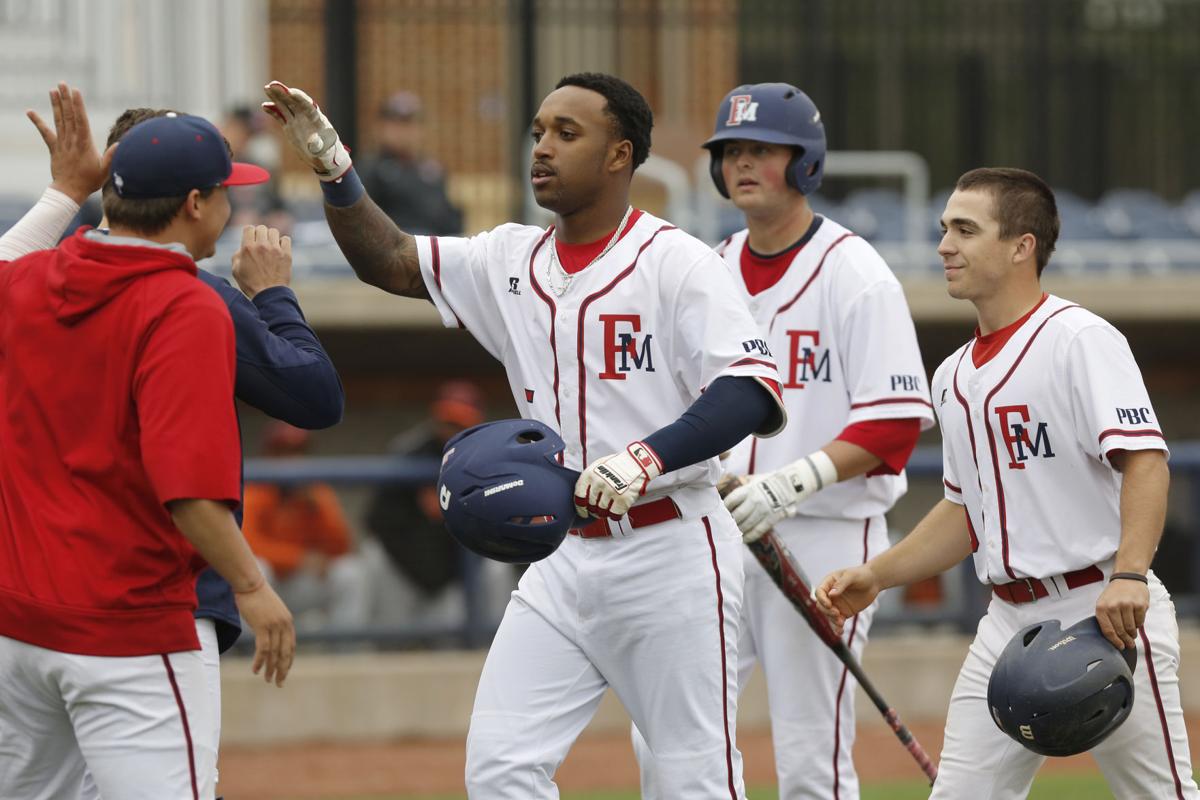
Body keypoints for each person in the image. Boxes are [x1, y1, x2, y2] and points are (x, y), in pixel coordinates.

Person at [263, 72, 788, 798]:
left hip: (671, 550)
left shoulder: (677, 261)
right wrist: (335, 167)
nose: (542, 147)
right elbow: (389, 261)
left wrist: (646, 457)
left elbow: (749, 390)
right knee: (501, 767)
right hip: (562, 554)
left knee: (690, 779)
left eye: (567, 134)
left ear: (619, 155)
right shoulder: (509, 257)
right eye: (539, 130)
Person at [0, 88, 344, 799]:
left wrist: (64, 192)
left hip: (20, 625)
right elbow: (186, 484)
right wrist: (253, 586)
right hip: (133, 627)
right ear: (194, 204)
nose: (231, 207)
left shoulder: (31, 280)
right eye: (223, 193)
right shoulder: (186, 302)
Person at [816, 167, 1198, 798]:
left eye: (966, 229)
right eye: (944, 229)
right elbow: (965, 513)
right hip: (1008, 623)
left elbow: (1146, 462)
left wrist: (1130, 573)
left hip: (1102, 608)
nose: (945, 245)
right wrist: (877, 574)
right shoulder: (953, 374)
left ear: (1022, 246)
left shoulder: (1079, 339)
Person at [634, 83, 935, 799]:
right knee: (671, 741)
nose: (742, 164)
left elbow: (895, 418)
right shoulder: (705, 269)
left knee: (809, 759)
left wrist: (789, 481)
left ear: (803, 164)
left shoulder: (855, 272)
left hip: (826, 536)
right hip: (722, 532)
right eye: (731, 151)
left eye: (761, 150)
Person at [362, 380, 498, 629]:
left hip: (455, 574)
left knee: (496, 566)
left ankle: (491, 645)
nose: (450, 430)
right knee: (372, 557)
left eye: (459, 423)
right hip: (404, 566)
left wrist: (450, 508)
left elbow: (496, 525)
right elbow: (376, 520)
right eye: (447, 421)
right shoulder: (408, 453)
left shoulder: (489, 460)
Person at [242, 422, 370, 631]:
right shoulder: (257, 489)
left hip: (300, 584)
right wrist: (298, 558)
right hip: (267, 585)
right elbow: (246, 547)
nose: (292, 460)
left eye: (298, 452)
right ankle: (250, 650)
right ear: (270, 455)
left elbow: (341, 547)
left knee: (351, 573)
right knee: (256, 567)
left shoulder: (315, 492)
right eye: (283, 452)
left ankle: (348, 654)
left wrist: (317, 507)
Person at [355, 90, 464, 235]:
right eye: (396, 123)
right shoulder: (369, 170)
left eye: (409, 124)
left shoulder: (433, 171)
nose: (403, 132)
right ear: (381, 127)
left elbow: (448, 220)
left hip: (431, 249)